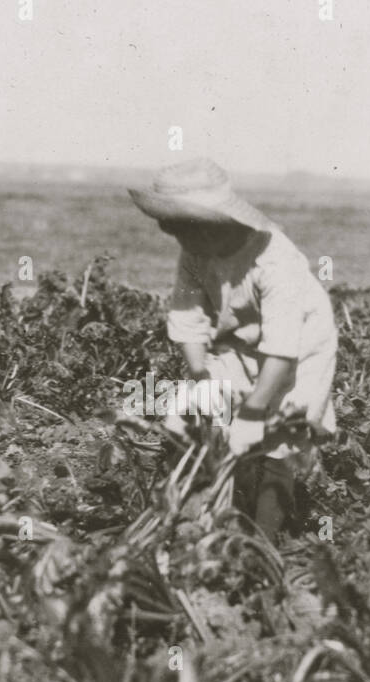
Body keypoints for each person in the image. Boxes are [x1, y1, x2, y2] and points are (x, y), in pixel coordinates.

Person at [129, 158, 338, 540]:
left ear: (214, 225)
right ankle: (206, 512)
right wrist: (203, 379)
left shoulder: (275, 262)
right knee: (193, 420)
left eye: (187, 232)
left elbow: (281, 352)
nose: (183, 243)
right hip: (237, 342)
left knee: (279, 438)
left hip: (300, 348)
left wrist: (255, 410)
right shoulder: (195, 251)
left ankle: (264, 541)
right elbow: (188, 318)